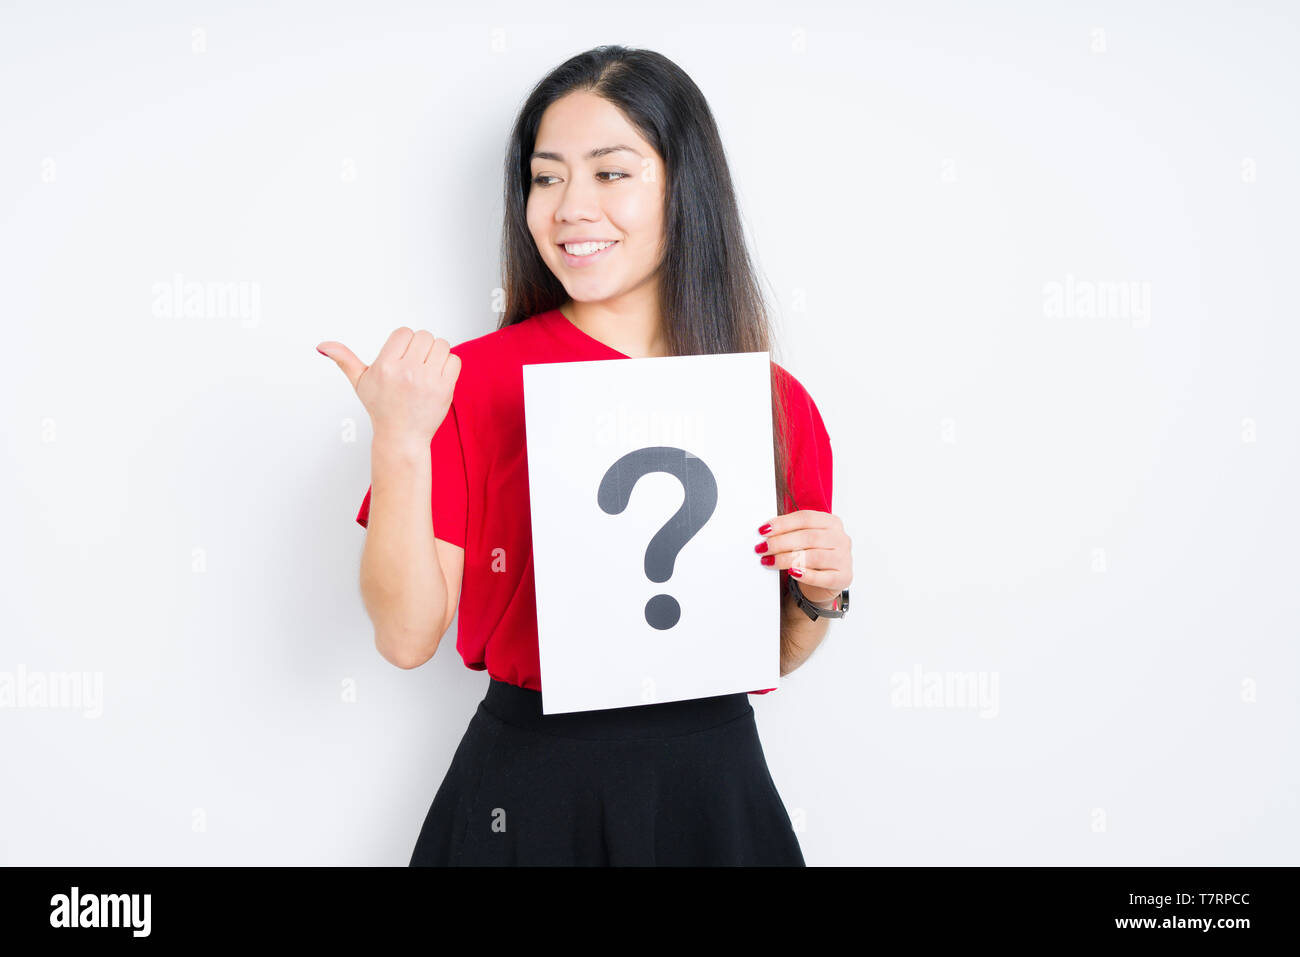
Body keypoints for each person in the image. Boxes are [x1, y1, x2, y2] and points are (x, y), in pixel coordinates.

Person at [317, 45, 853, 866]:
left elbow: (769, 651)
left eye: (611, 174)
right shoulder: (472, 382)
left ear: (686, 187)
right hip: (530, 787)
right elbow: (405, 635)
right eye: (546, 176)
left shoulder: (773, 403)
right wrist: (399, 440)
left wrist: (819, 589)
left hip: (710, 784)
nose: (570, 208)